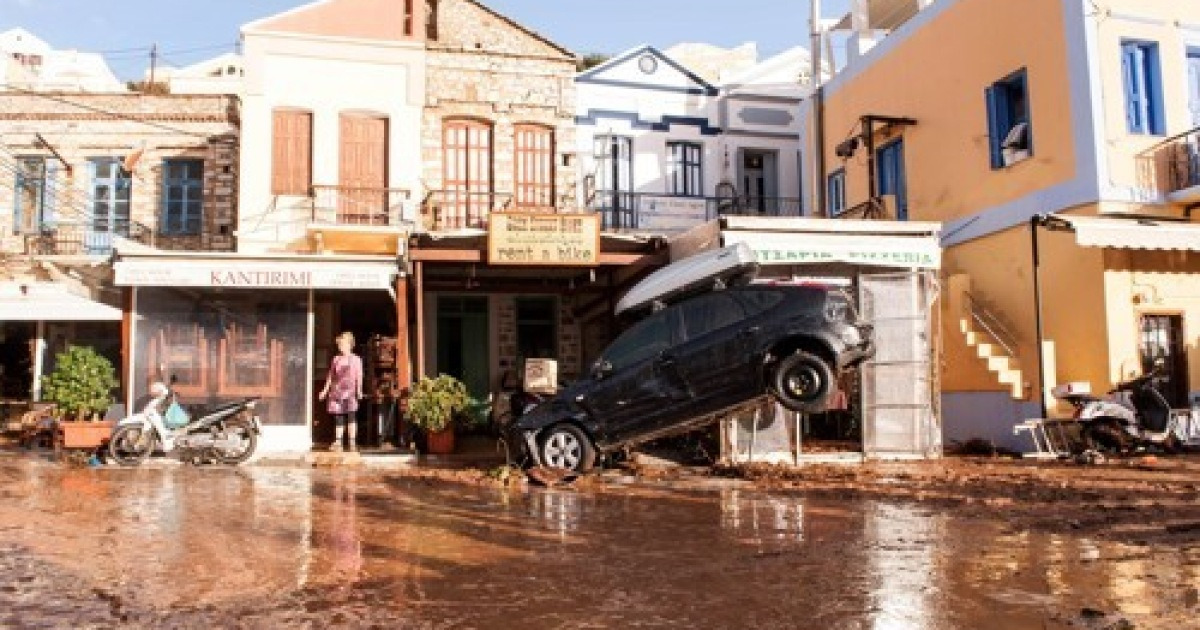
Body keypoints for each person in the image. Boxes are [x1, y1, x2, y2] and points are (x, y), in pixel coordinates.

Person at [319, 332, 363, 452]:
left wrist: (359, 390)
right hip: (337, 392)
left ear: (349, 344)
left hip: (350, 393)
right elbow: (330, 376)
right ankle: (338, 441)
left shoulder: (356, 359)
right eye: (339, 344)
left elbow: (359, 376)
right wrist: (324, 390)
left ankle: (352, 442)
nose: (340, 346)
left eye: (342, 344)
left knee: (351, 416)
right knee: (339, 417)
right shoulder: (336, 359)